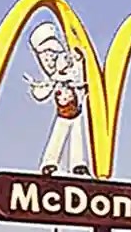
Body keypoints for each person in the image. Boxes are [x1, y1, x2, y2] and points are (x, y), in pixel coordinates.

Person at [23, 22, 91, 176]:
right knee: (59, 134)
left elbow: (78, 72)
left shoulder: (71, 66)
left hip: (76, 108)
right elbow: (44, 91)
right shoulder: (56, 78)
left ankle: (78, 164)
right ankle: (50, 162)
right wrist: (36, 88)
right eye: (45, 56)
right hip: (64, 110)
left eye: (52, 55)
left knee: (77, 135)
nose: (49, 60)